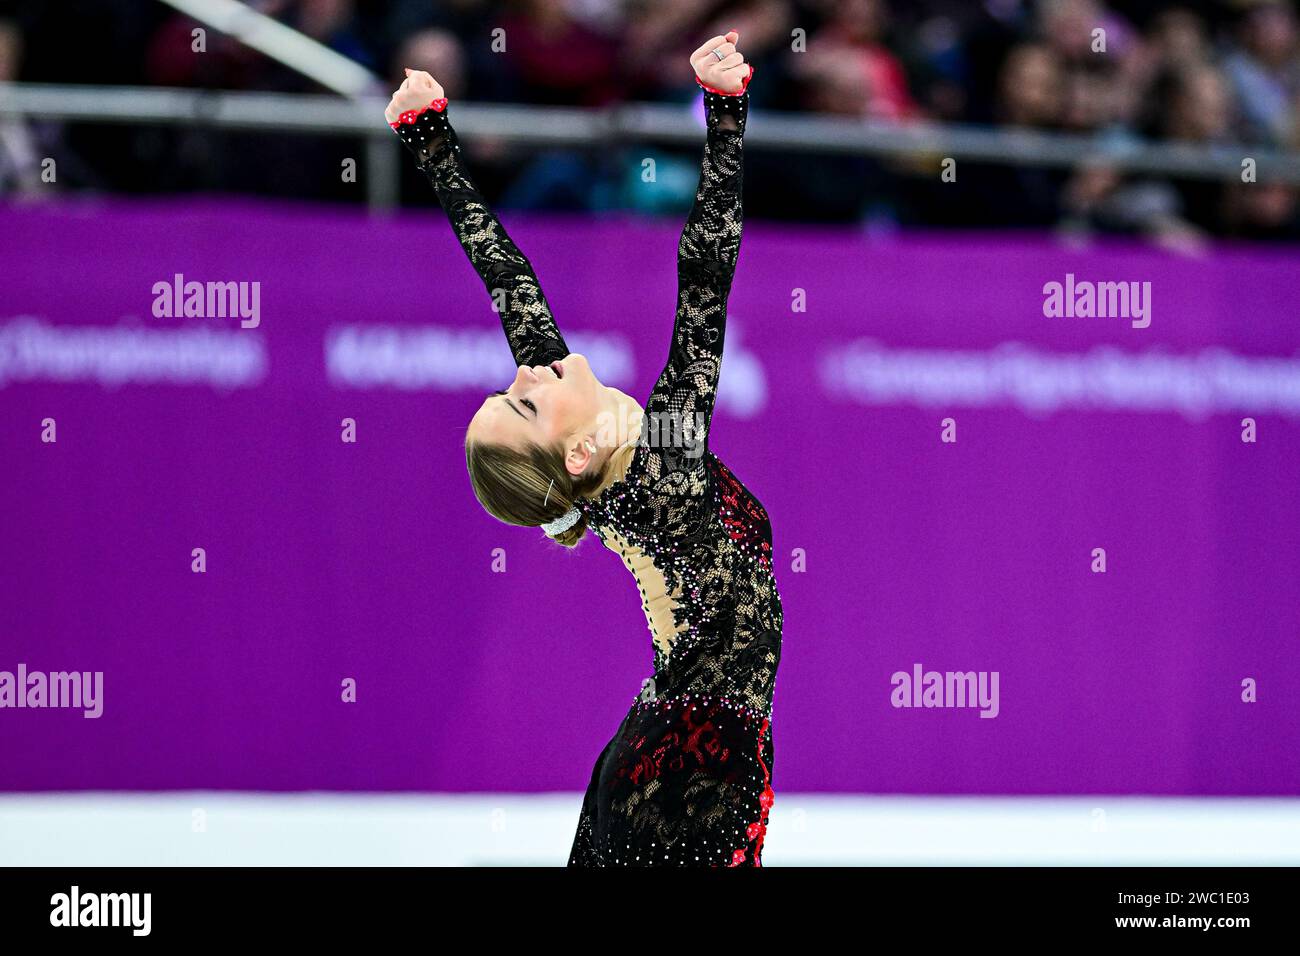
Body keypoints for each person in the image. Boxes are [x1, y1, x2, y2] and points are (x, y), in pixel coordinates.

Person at [385, 31, 782, 867]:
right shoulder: (666, 465)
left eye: (511, 388)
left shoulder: (617, 469)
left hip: (668, 757)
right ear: (572, 456)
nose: (528, 368)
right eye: (525, 402)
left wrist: (430, 139)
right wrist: (726, 112)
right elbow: (705, 278)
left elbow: (511, 284)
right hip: (690, 782)